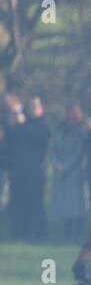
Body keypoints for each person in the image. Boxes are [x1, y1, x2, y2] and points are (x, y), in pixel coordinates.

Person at [7, 95, 50, 240]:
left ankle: (36, 231)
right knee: (18, 202)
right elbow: (11, 141)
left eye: (35, 106)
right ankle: (19, 230)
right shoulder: (20, 123)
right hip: (19, 171)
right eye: (30, 106)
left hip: (35, 171)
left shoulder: (42, 123)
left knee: (34, 203)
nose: (32, 109)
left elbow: (40, 137)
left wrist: (22, 125)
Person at [49, 103, 90, 241]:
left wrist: (65, 166)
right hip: (60, 172)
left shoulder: (82, 130)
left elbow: (79, 151)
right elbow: (53, 147)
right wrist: (56, 164)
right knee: (64, 204)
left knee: (76, 204)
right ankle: (66, 229)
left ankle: (76, 231)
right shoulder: (60, 128)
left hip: (75, 171)